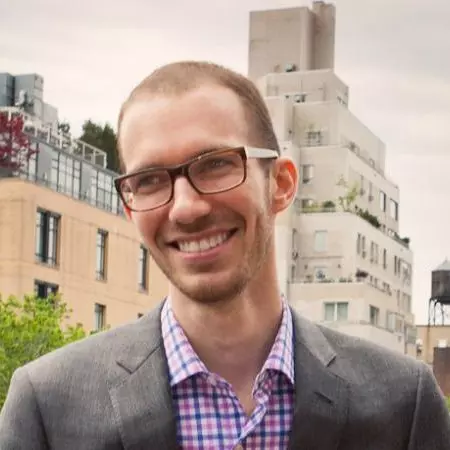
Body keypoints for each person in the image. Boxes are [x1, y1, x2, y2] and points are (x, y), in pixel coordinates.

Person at [1, 61, 449, 450]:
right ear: (129, 206)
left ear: (281, 183)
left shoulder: (403, 404)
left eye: (216, 164)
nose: (186, 208)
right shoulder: (48, 406)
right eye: (151, 180)